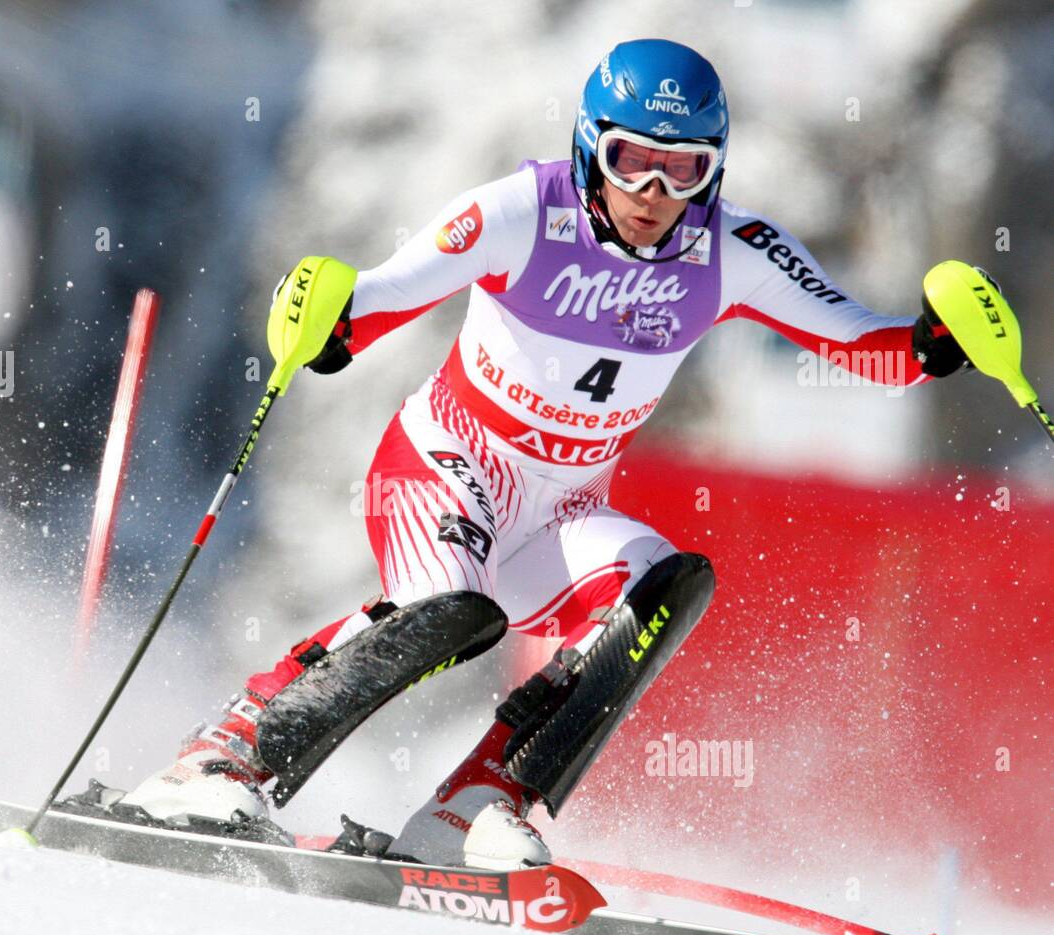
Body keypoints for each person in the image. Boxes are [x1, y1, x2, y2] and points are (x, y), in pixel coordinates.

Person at [120, 38, 973, 868]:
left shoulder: (734, 253)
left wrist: (939, 340)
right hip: (444, 466)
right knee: (453, 609)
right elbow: (366, 307)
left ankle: (479, 803)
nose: (651, 191)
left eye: (684, 170)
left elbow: (875, 349)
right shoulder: (521, 212)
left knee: (668, 586)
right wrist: (318, 313)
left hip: (560, 512)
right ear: (588, 145)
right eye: (631, 157)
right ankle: (225, 757)